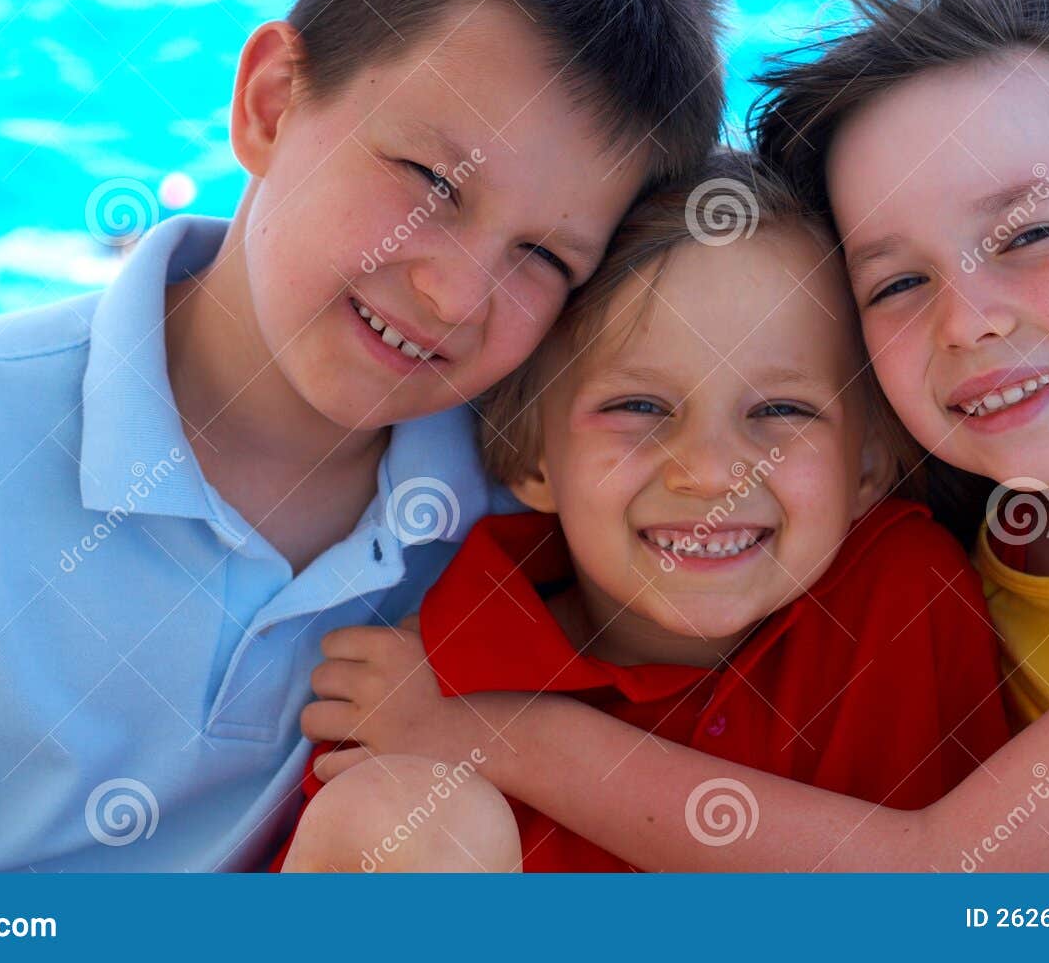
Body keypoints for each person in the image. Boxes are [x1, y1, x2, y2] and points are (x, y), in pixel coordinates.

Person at [302, 0, 1049, 872]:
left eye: (1033, 233)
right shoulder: (958, 529)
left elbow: (953, 876)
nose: (969, 319)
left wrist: (493, 729)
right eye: (899, 280)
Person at [0, 0, 726, 872]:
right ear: (270, 104)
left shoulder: (521, 492)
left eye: (545, 258)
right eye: (430, 184)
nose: (457, 295)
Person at [286, 152, 1008, 871]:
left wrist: (514, 740)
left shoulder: (900, 599)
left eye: (782, 409)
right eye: (638, 406)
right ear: (533, 457)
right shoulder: (419, 682)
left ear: (867, 469)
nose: (710, 472)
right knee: (400, 813)